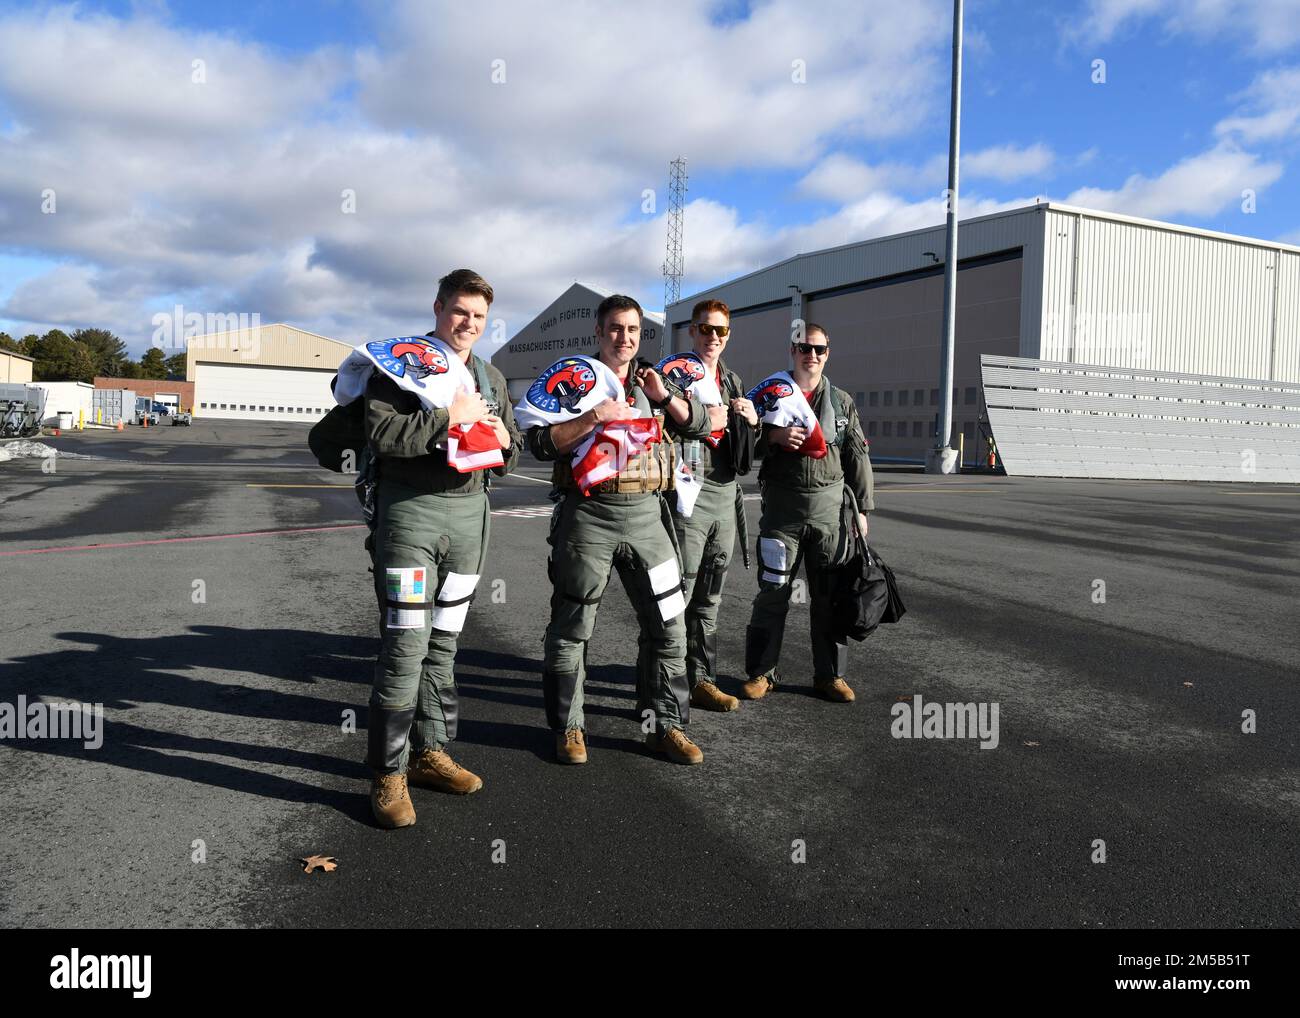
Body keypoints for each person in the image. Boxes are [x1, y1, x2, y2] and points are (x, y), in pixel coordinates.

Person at [522, 294, 709, 765]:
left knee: (669, 625)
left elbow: (701, 425)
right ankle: (569, 729)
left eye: (632, 330)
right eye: (614, 329)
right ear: (598, 332)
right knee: (572, 627)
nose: (623, 338)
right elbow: (537, 443)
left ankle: (664, 726)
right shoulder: (572, 383)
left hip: (648, 516)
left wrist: (666, 396)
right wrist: (592, 417)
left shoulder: (656, 381)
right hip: (590, 515)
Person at [364, 269, 520, 828]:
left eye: (478, 316)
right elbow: (381, 437)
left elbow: (512, 450)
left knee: (446, 643)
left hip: (470, 523)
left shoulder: (491, 376)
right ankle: (388, 774)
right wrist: (448, 416)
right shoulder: (399, 364)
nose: (468, 323)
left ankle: (431, 752)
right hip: (411, 518)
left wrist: (504, 441)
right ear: (437, 308)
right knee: (407, 642)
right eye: (459, 311)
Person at [742, 323, 874, 703]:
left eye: (818, 349)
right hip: (782, 513)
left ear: (827, 353)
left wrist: (862, 509)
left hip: (829, 516)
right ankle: (761, 673)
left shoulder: (842, 402)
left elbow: (857, 456)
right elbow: (740, 445)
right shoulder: (770, 397)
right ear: (792, 350)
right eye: (804, 348)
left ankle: (830, 675)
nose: (811, 356)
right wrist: (773, 438)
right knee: (772, 594)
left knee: (828, 596)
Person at [660, 300, 758, 712]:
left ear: (728, 335)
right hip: (686, 493)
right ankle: (663, 685)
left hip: (723, 491)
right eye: (704, 329)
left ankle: (701, 678)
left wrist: (751, 419)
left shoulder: (732, 380)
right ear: (692, 332)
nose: (712, 337)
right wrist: (707, 417)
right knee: (674, 595)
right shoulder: (675, 374)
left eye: (720, 331)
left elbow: (747, 451)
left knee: (710, 597)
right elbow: (662, 421)